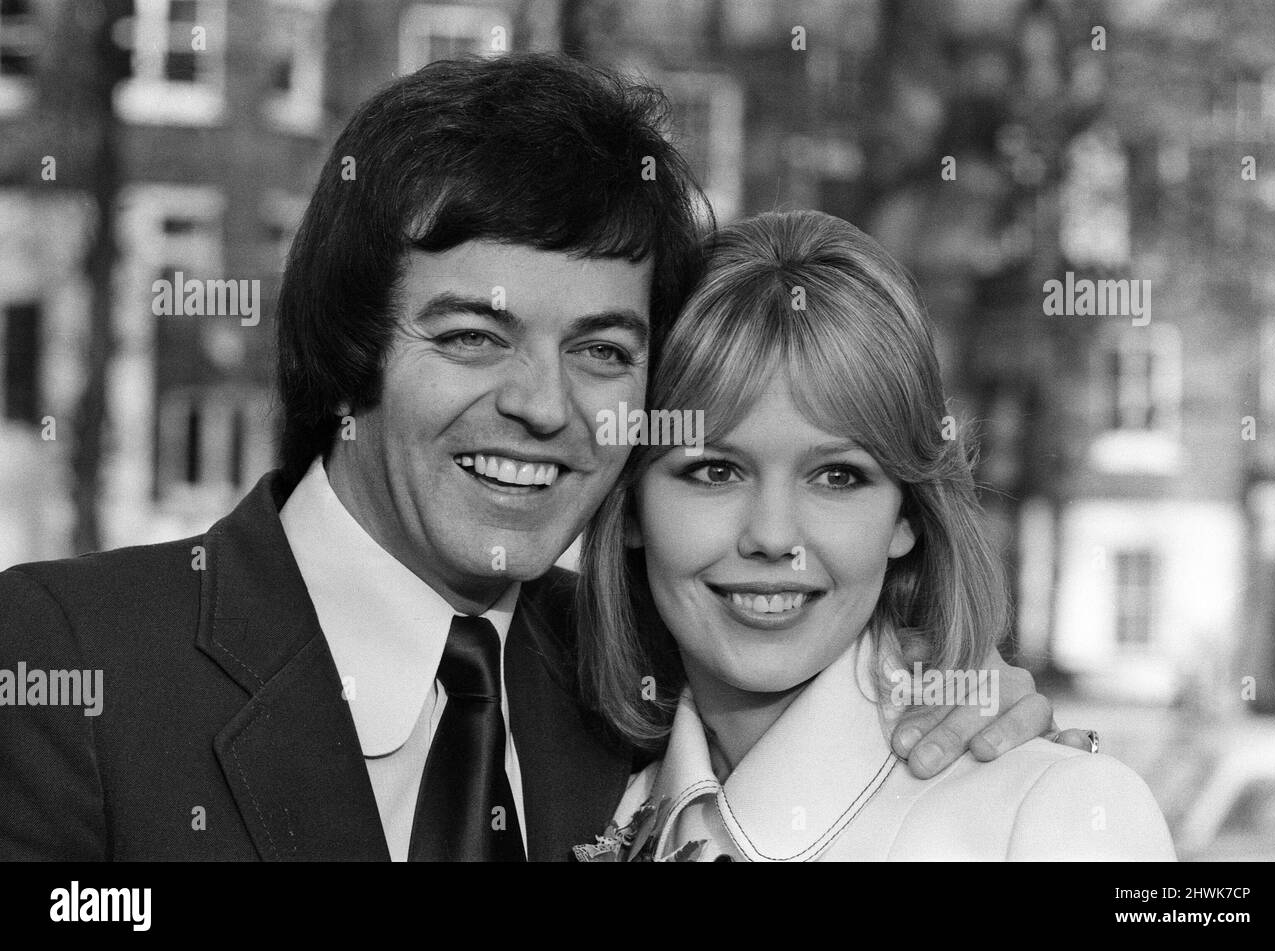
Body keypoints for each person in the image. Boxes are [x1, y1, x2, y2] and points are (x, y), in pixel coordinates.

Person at [0, 55, 1065, 863]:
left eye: (601, 351)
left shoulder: (635, 673)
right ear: (351, 342)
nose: (543, 406)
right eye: (472, 336)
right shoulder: (72, 668)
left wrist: (966, 701)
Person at [575, 210, 1175, 861]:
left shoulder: (1056, 816)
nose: (775, 537)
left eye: (837, 475)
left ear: (907, 514)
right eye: (715, 470)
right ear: (630, 501)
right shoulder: (585, 801)